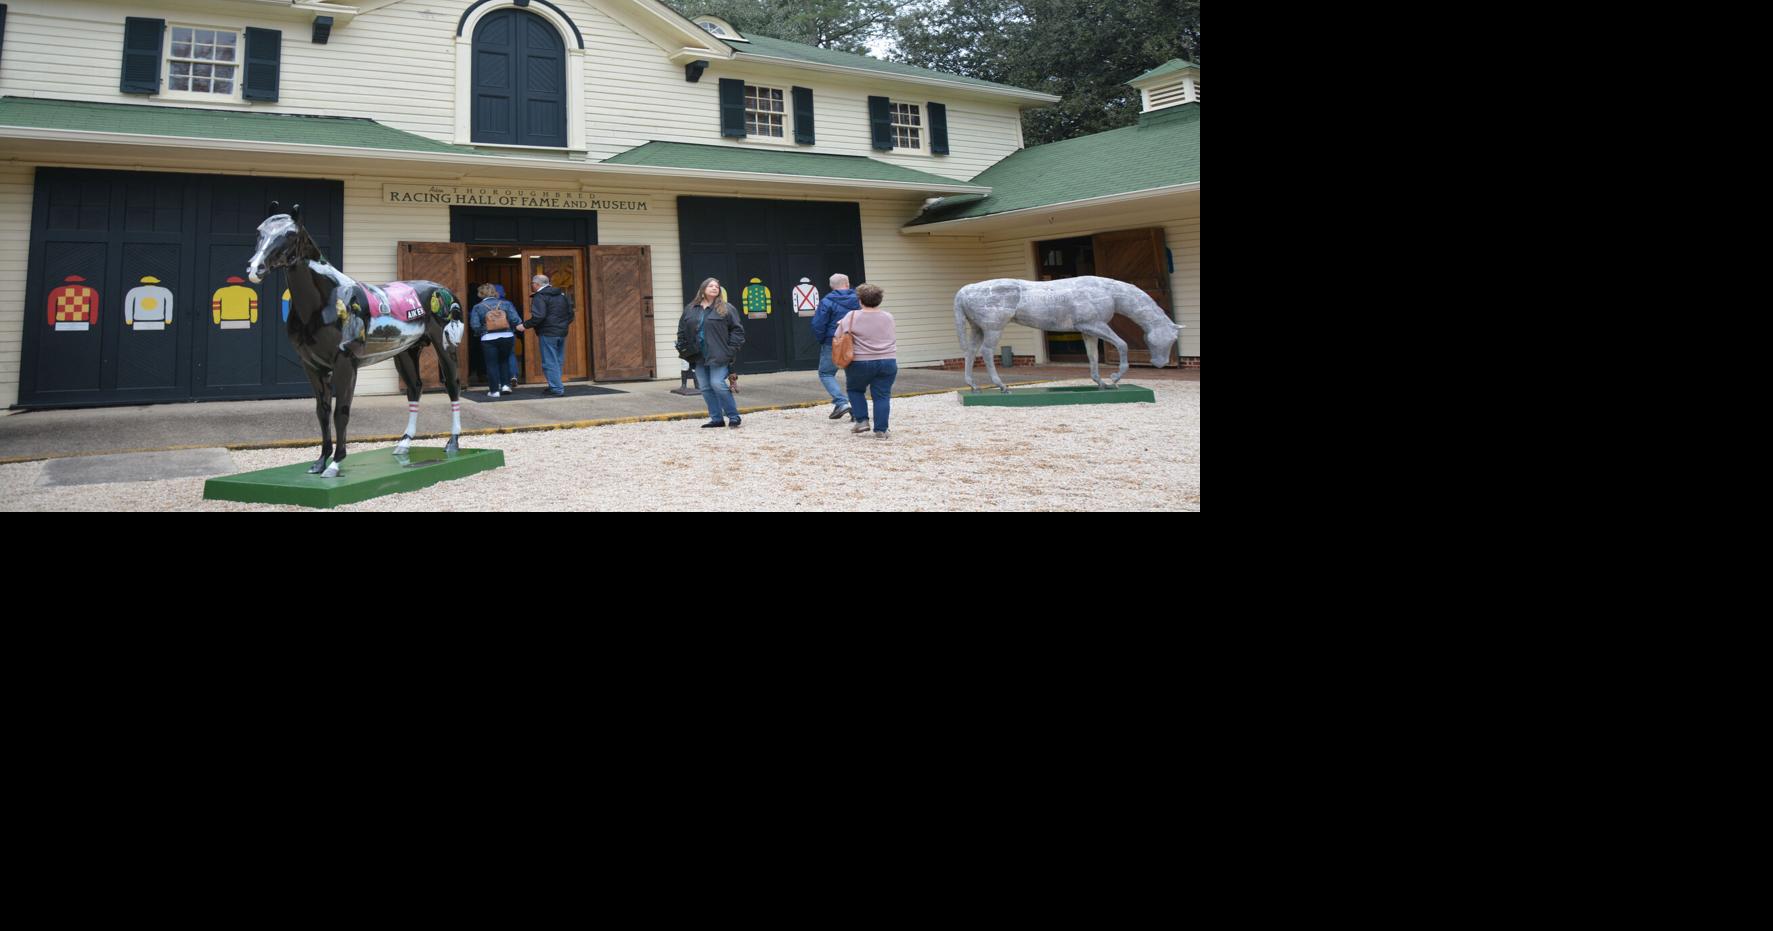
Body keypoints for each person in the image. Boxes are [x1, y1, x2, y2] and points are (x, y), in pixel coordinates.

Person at [674, 277, 746, 429]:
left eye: (717, 286)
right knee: (705, 387)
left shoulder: (726, 308)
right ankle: (716, 419)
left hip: (719, 354)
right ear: (703, 289)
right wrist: (683, 347)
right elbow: (682, 329)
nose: (714, 288)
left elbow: (737, 331)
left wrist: (731, 349)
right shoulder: (691, 308)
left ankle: (733, 416)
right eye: (711, 285)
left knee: (717, 384)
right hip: (698, 355)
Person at [835, 283, 896, 438]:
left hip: (860, 361)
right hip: (888, 360)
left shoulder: (852, 316)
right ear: (879, 300)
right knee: (882, 395)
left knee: (855, 390)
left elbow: (838, 335)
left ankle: (862, 421)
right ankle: (881, 430)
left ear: (860, 300)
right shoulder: (889, 317)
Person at [810, 273, 860, 420]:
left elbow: (818, 324)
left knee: (826, 373)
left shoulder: (827, 301)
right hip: (856, 341)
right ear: (848, 283)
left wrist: (823, 339)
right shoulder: (859, 299)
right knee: (853, 375)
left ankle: (841, 402)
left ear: (831, 286)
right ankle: (857, 411)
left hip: (834, 341)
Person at [515, 274, 573, 397]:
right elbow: (570, 314)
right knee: (557, 360)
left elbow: (539, 316)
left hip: (548, 333)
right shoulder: (561, 295)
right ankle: (554, 385)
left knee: (549, 361)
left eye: (532, 283)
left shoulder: (540, 296)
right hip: (562, 332)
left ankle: (557, 388)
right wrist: (562, 325)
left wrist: (524, 326)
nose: (531, 285)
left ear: (537, 284)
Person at [469, 284, 519, 397]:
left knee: (492, 364)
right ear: (494, 292)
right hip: (507, 336)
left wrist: (481, 332)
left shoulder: (477, 307)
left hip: (488, 338)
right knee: (504, 361)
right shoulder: (506, 304)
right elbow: (515, 319)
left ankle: (494, 391)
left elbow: (475, 325)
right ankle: (506, 385)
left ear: (480, 294)